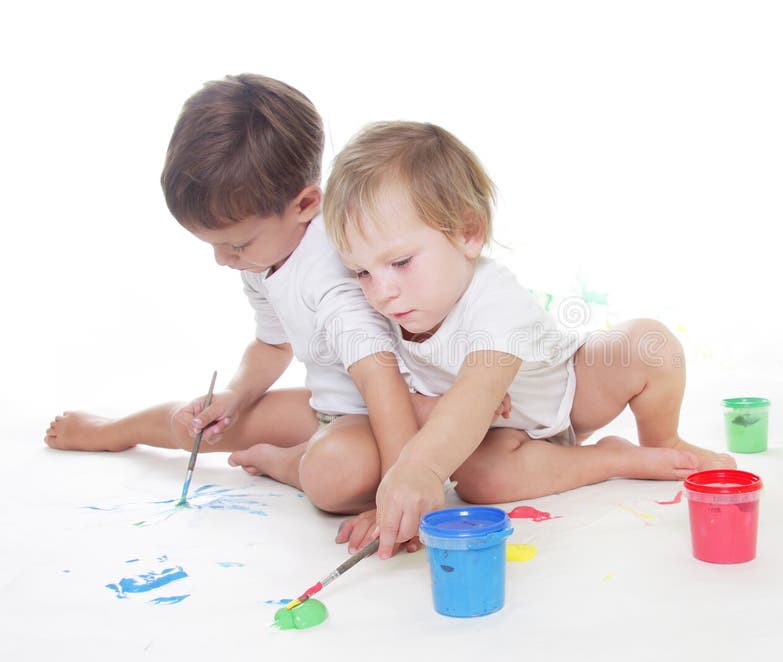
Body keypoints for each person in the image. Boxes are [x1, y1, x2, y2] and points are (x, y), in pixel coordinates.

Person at [323, 121, 736, 558]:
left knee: (647, 343)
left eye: (400, 262)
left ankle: (662, 439)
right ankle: (613, 459)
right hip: (499, 434)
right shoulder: (382, 311)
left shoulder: (496, 300)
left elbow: (479, 388)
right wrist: (423, 441)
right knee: (482, 481)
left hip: (570, 393)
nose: (381, 290)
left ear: (468, 233)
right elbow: (408, 401)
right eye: (362, 272)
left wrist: (419, 466)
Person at [44, 75, 424, 532]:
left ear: (305, 204)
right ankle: (113, 431)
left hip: (405, 410)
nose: (224, 260)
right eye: (214, 245)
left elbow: (381, 379)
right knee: (200, 424)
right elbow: (271, 346)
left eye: (237, 245)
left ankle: (289, 465)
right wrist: (234, 396)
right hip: (333, 407)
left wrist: (400, 490)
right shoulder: (267, 255)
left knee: (336, 475)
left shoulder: (333, 271)